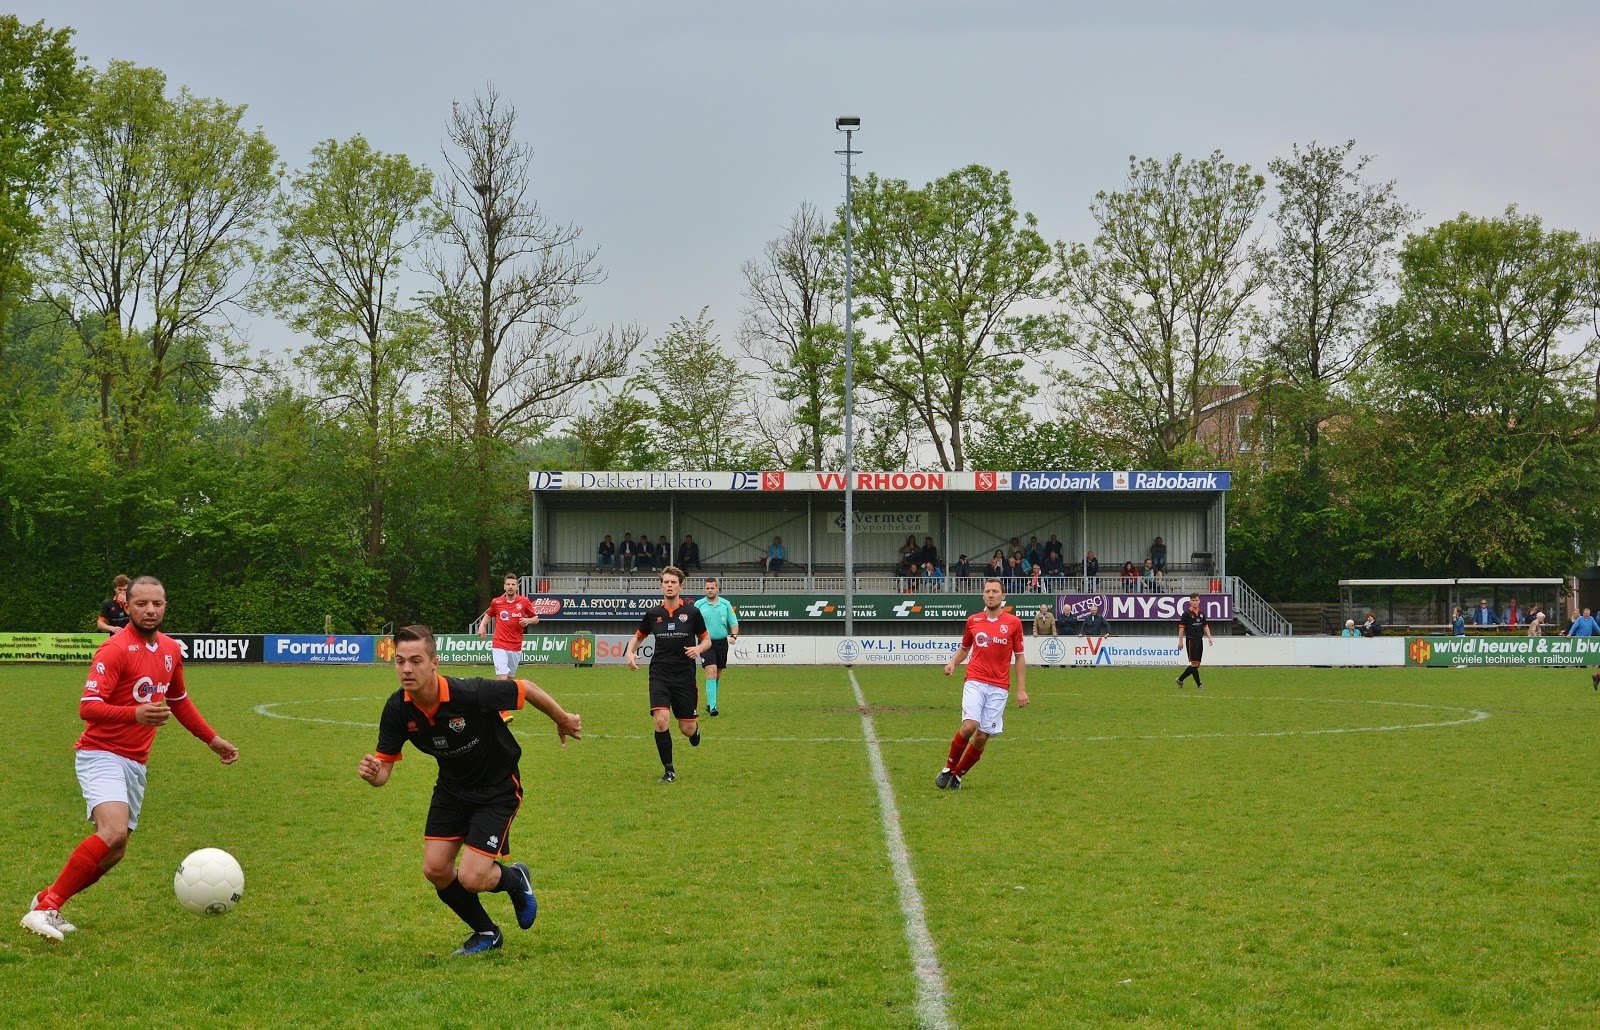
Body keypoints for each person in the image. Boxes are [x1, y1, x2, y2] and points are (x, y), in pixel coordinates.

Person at [22, 576, 239, 942]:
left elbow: (179, 700)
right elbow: (87, 707)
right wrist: (134, 714)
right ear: (127, 607)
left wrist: (212, 740)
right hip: (100, 753)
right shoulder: (114, 649)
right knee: (113, 832)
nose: (150, 610)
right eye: (141, 604)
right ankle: (46, 908)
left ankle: (47, 899)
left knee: (116, 850)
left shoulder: (171, 650)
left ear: (166, 606)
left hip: (135, 762)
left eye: (157, 603)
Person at [358, 625, 580, 956]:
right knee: (435, 869)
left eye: (416, 660)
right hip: (452, 790)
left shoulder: (470, 693)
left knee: (474, 878)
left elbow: (527, 688)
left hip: (497, 788)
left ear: (435, 662)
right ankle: (486, 932)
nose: (406, 669)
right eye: (400, 660)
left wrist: (561, 718)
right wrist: (374, 773)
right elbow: (383, 773)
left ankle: (516, 880)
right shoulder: (397, 709)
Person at [935, 579, 1029, 790]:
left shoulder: (1014, 623)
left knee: (982, 737)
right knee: (970, 725)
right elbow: (965, 648)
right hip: (975, 681)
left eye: (995, 591)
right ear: (983, 596)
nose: (991, 594)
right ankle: (948, 768)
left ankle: (958, 776)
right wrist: (953, 662)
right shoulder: (973, 620)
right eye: (987, 591)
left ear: (1003, 596)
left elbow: (1020, 656)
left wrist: (1021, 689)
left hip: (999, 687)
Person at [626, 566, 710, 782]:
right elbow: (638, 637)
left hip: (684, 677)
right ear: (661, 585)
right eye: (666, 582)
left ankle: (695, 731)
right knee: (661, 721)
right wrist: (629, 652)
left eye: (674, 582)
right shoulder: (653, 614)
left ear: (681, 586)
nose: (669, 585)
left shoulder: (693, 613)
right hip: (660, 674)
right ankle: (669, 770)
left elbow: (706, 640)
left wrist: (699, 649)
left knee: (686, 728)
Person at [476, 573, 539, 724]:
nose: (510, 587)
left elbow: (536, 618)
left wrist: (528, 621)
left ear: (517, 586)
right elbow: (489, 615)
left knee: (509, 681)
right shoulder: (496, 602)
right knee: (503, 678)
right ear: (504, 586)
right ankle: (503, 711)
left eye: (513, 584)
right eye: (508, 584)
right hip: (499, 644)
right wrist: (482, 625)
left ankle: (495, 703)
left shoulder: (523, 602)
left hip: (515, 646)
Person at [694, 577, 739, 717]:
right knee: (711, 672)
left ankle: (710, 702)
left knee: (717, 674)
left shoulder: (726, 604)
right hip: (705, 643)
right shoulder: (699, 605)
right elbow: (691, 623)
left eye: (712, 588)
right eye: (707, 588)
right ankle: (713, 707)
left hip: (721, 644)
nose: (710, 590)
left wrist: (734, 636)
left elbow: (734, 622)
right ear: (704, 589)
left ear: (717, 588)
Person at [1175, 592, 1214, 689]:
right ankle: (1200, 685)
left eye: (1196, 600)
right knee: (1194, 663)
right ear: (1190, 601)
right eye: (1193, 600)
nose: (1195, 602)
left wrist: (1209, 637)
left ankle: (1180, 679)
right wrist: (1180, 641)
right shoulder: (1186, 614)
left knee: (1196, 665)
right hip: (1191, 640)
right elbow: (1181, 628)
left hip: (1199, 640)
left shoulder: (1201, 614)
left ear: (1199, 601)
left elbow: (1205, 626)